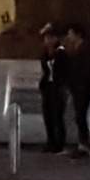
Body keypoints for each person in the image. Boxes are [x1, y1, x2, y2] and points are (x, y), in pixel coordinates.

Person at [62, 24, 90, 157]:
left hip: (83, 87)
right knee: (79, 116)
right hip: (77, 87)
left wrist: (81, 85)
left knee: (81, 115)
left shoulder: (86, 50)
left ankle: (84, 144)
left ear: (78, 35)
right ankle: (82, 143)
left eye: (70, 34)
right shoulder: (76, 49)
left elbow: (88, 70)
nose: (68, 37)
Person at [37, 26, 68, 154]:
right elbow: (45, 69)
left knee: (57, 116)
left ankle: (59, 144)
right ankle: (50, 141)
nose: (48, 40)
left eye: (50, 38)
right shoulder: (45, 53)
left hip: (58, 87)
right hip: (48, 86)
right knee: (48, 115)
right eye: (46, 38)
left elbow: (65, 70)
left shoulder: (62, 53)